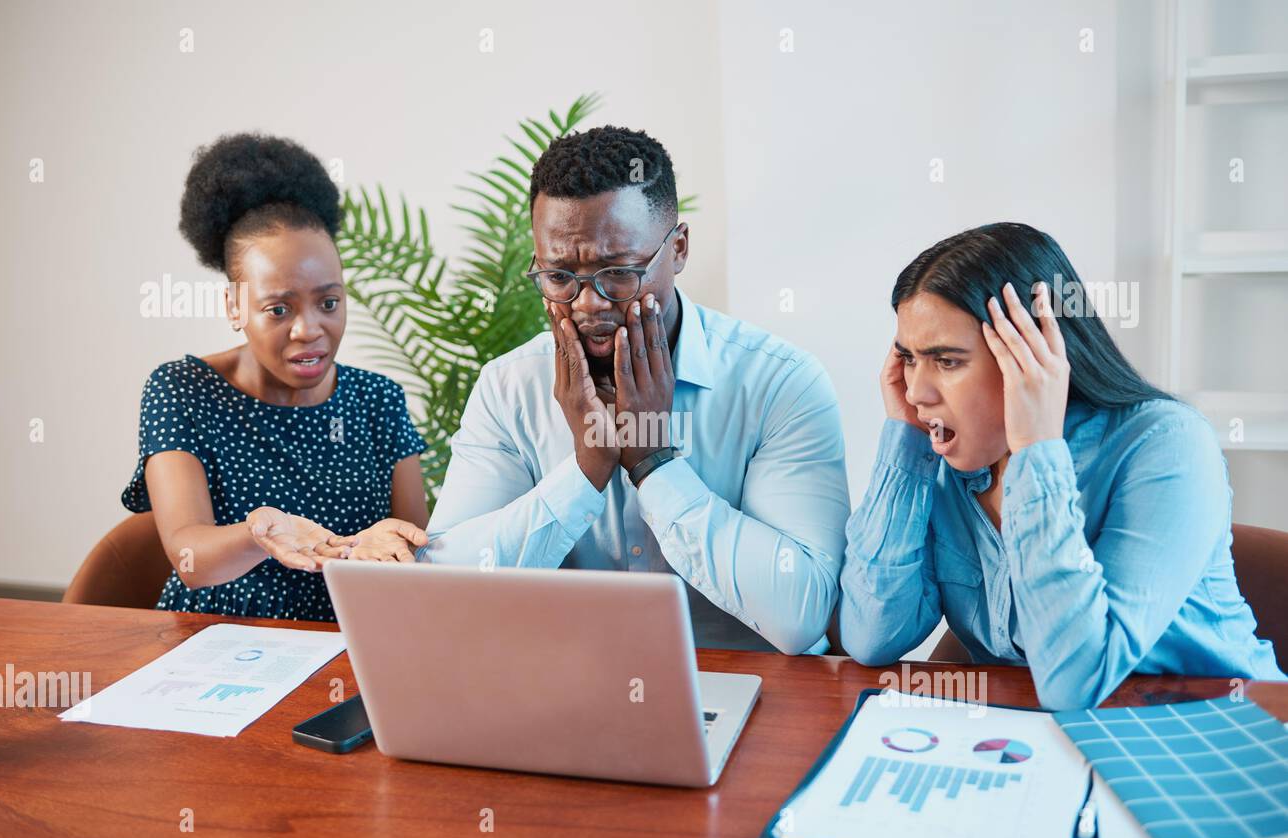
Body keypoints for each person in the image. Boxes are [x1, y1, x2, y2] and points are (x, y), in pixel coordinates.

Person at [421, 126, 850, 653]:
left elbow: (801, 614)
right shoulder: (508, 387)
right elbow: (446, 591)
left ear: (680, 248)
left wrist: (654, 462)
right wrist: (584, 471)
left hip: (752, 693)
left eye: (619, 273)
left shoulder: (779, 383)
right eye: (559, 277)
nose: (587, 305)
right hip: (566, 698)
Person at [839, 222, 1286, 708]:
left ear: (1034, 352)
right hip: (1056, 739)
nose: (916, 392)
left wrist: (1036, 448)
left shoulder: (1168, 444)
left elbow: (1076, 681)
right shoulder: (950, 460)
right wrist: (905, 444)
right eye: (908, 359)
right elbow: (870, 636)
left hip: (1218, 735)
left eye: (946, 361)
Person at [122, 133, 430, 622]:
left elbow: (417, 550)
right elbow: (190, 559)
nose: (310, 330)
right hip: (214, 641)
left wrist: (386, 550)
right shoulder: (183, 390)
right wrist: (259, 535)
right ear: (234, 306)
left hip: (348, 645)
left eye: (329, 302)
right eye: (279, 308)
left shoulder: (377, 400)